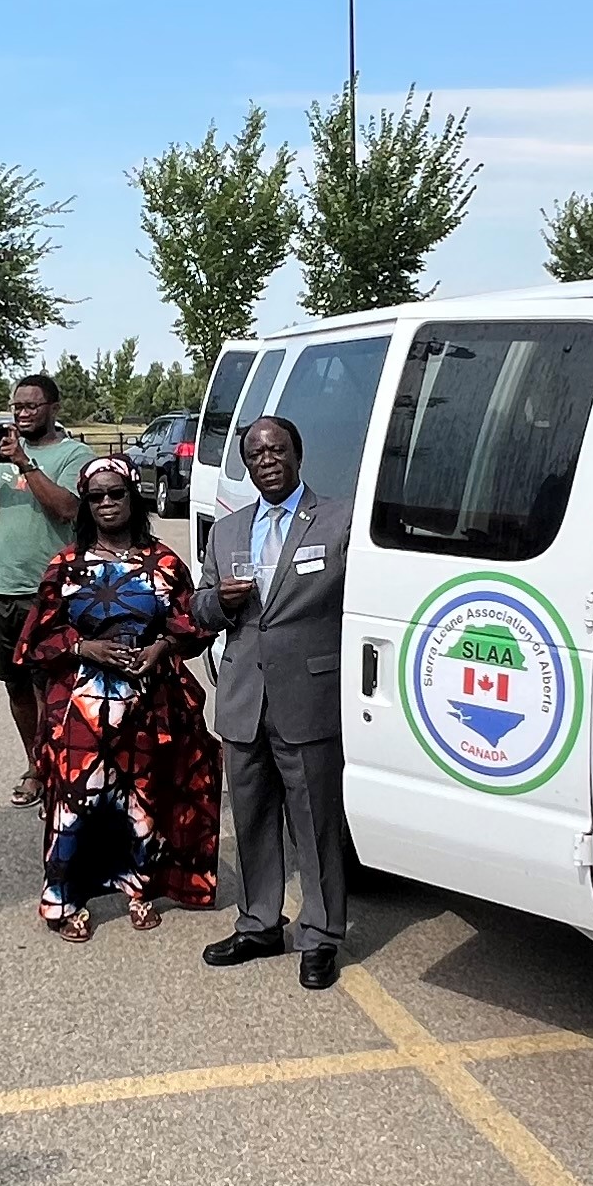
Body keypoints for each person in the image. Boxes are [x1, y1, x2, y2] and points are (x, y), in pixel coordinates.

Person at [15, 451, 219, 939]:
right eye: (96, 496)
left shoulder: (165, 562)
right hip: (81, 707)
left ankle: (138, 886)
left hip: (149, 705)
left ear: (133, 496)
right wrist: (84, 646)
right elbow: (33, 644)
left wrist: (162, 647)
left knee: (141, 797)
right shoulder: (66, 565)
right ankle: (63, 901)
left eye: (116, 493)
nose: (107, 503)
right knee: (75, 800)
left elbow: (194, 625)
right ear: (85, 504)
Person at [202, 413, 353, 987]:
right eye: (256, 453)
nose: (267, 460)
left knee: (315, 823)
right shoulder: (227, 530)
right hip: (244, 698)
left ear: (298, 454)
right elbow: (198, 611)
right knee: (253, 819)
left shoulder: (339, 521)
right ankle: (260, 923)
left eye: (277, 450)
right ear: (245, 463)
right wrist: (220, 599)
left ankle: (320, 934)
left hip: (309, 696)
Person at [0, 372, 91, 799]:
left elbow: (67, 508)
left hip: (52, 590)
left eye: (31, 406)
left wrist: (24, 463)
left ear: (54, 408)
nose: (22, 413)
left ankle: (63, 766)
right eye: (17, 406)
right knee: (16, 684)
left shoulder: (75, 454)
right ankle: (36, 765)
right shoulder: (1, 452)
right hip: (4, 587)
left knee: (53, 686)